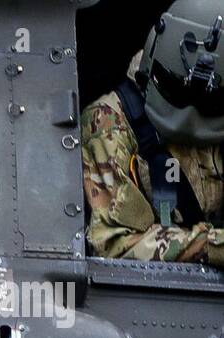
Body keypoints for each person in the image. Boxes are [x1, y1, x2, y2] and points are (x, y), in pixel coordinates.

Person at [82, 0, 224, 262]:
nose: (188, 118)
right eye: (177, 91)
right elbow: (115, 244)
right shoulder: (109, 121)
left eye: (210, 103)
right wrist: (211, 246)